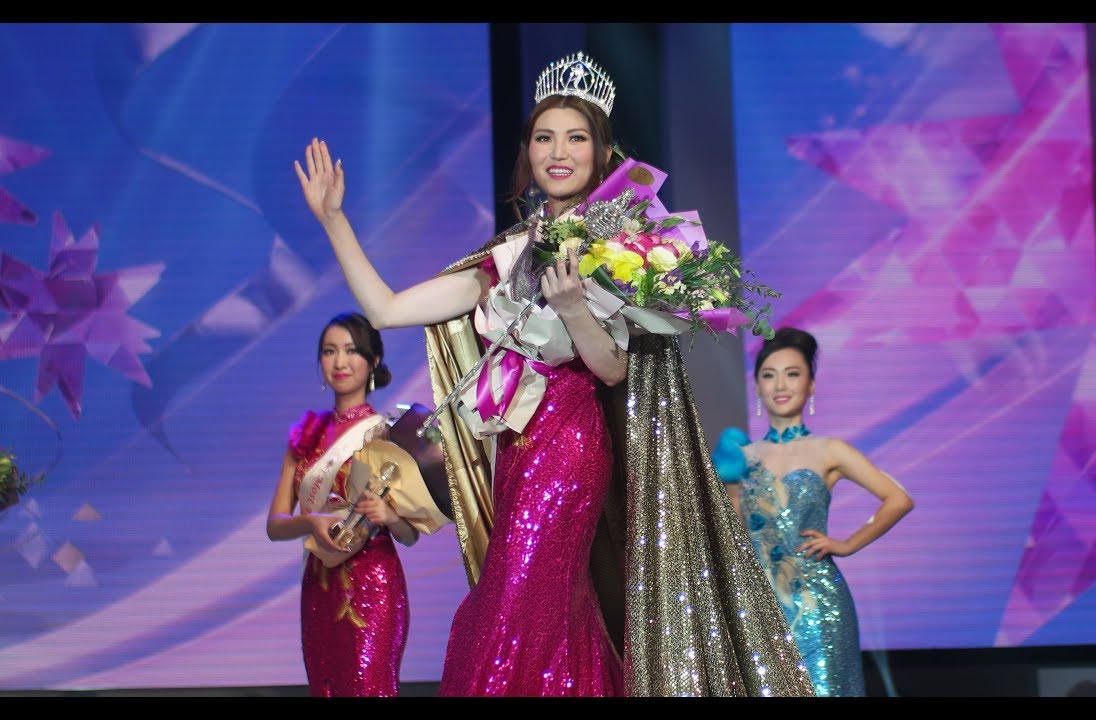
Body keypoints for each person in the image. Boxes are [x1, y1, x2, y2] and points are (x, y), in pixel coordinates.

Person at [294, 52, 815, 697]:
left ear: (600, 152)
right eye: (545, 137)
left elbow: (615, 369)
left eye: (576, 138)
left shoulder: (623, 248)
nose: (558, 151)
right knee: (548, 613)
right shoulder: (506, 255)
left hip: (572, 449)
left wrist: (572, 304)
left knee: (511, 609)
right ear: (528, 153)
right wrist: (334, 220)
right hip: (514, 452)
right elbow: (386, 308)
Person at [712, 326, 915, 697]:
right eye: (768, 375)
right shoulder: (744, 455)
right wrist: (726, 481)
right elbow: (732, 535)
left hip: (819, 604)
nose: (780, 385)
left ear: (811, 385)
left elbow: (898, 498)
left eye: (793, 373)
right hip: (761, 607)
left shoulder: (828, 450)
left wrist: (848, 544)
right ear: (756, 387)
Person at [265, 311, 422, 697]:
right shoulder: (305, 433)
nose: (339, 361)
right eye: (329, 351)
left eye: (352, 351)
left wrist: (389, 517)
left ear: (373, 361)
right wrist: (311, 522)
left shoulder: (389, 433)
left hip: (373, 585)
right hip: (318, 585)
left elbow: (410, 535)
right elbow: (275, 524)